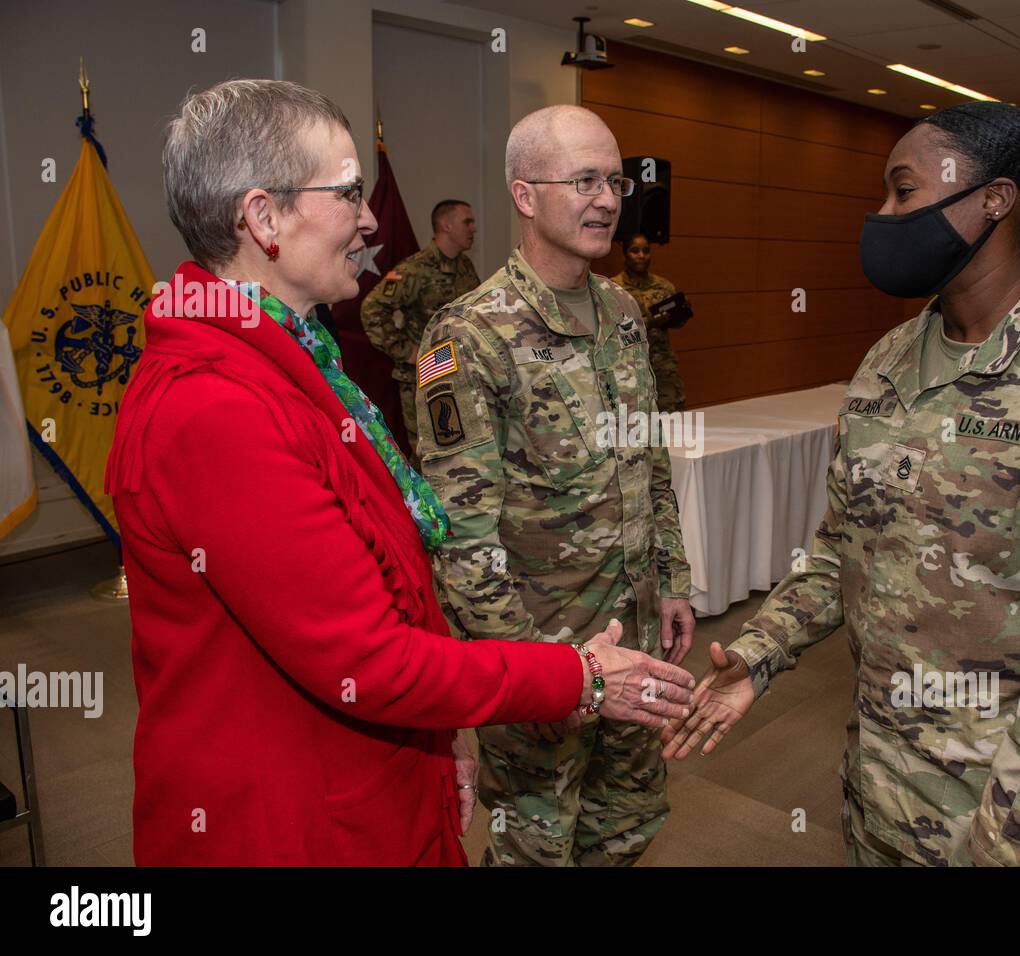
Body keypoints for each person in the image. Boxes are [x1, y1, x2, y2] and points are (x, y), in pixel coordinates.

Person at [103, 80, 694, 866]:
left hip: (373, 769)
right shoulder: (216, 408)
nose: (374, 217)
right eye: (349, 192)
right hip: (293, 819)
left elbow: (391, 569)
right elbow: (370, 654)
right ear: (264, 217)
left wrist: (439, 737)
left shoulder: (294, 362)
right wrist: (571, 677)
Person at [664, 101, 1020, 867]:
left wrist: (1012, 849)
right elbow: (840, 550)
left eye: (903, 191)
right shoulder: (888, 361)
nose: (883, 216)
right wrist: (759, 652)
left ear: (995, 199)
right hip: (880, 797)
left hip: (1004, 825)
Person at [415, 105, 695, 867]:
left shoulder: (625, 315)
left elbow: (650, 460)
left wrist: (671, 578)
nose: (607, 199)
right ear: (525, 194)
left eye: (614, 180)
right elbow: (462, 542)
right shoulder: (468, 335)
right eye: (583, 181)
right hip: (541, 654)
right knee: (536, 846)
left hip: (632, 638)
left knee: (626, 824)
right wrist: (535, 676)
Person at [361, 198, 480, 445]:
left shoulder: (465, 266)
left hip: (460, 374)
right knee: (428, 452)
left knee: (460, 448)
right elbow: (372, 308)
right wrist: (407, 351)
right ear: (446, 226)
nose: (473, 228)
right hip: (423, 380)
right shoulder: (415, 268)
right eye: (467, 222)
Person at [611, 233, 689, 412]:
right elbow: (613, 330)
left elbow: (675, 324)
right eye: (634, 251)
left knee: (673, 420)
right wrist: (650, 322)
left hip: (662, 366)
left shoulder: (663, 286)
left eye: (645, 251)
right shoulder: (614, 288)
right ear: (625, 255)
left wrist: (681, 313)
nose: (641, 256)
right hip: (630, 367)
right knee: (634, 422)